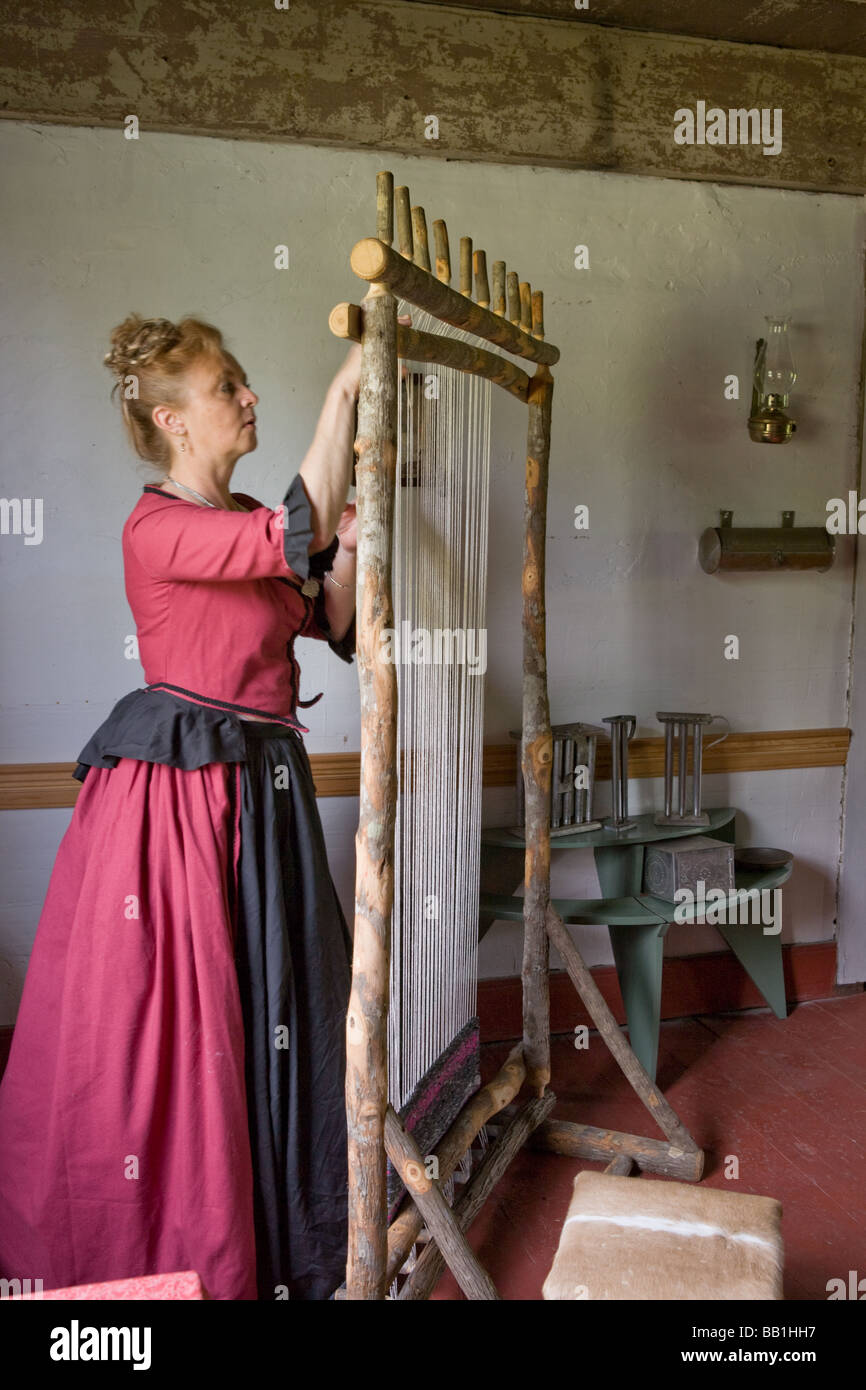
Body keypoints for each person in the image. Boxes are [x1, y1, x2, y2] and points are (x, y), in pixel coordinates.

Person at [0, 310, 404, 1301]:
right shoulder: (159, 527)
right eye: (229, 386)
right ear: (175, 421)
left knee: (277, 1002)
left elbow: (329, 620)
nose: (247, 396)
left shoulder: (245, 529)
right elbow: (291, 532)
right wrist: (345, 391)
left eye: (244, 381)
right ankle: (182, 1242)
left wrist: (346, 551)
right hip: (178, 809)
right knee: (184, 1025)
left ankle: (287, 1233)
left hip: (261, 794)